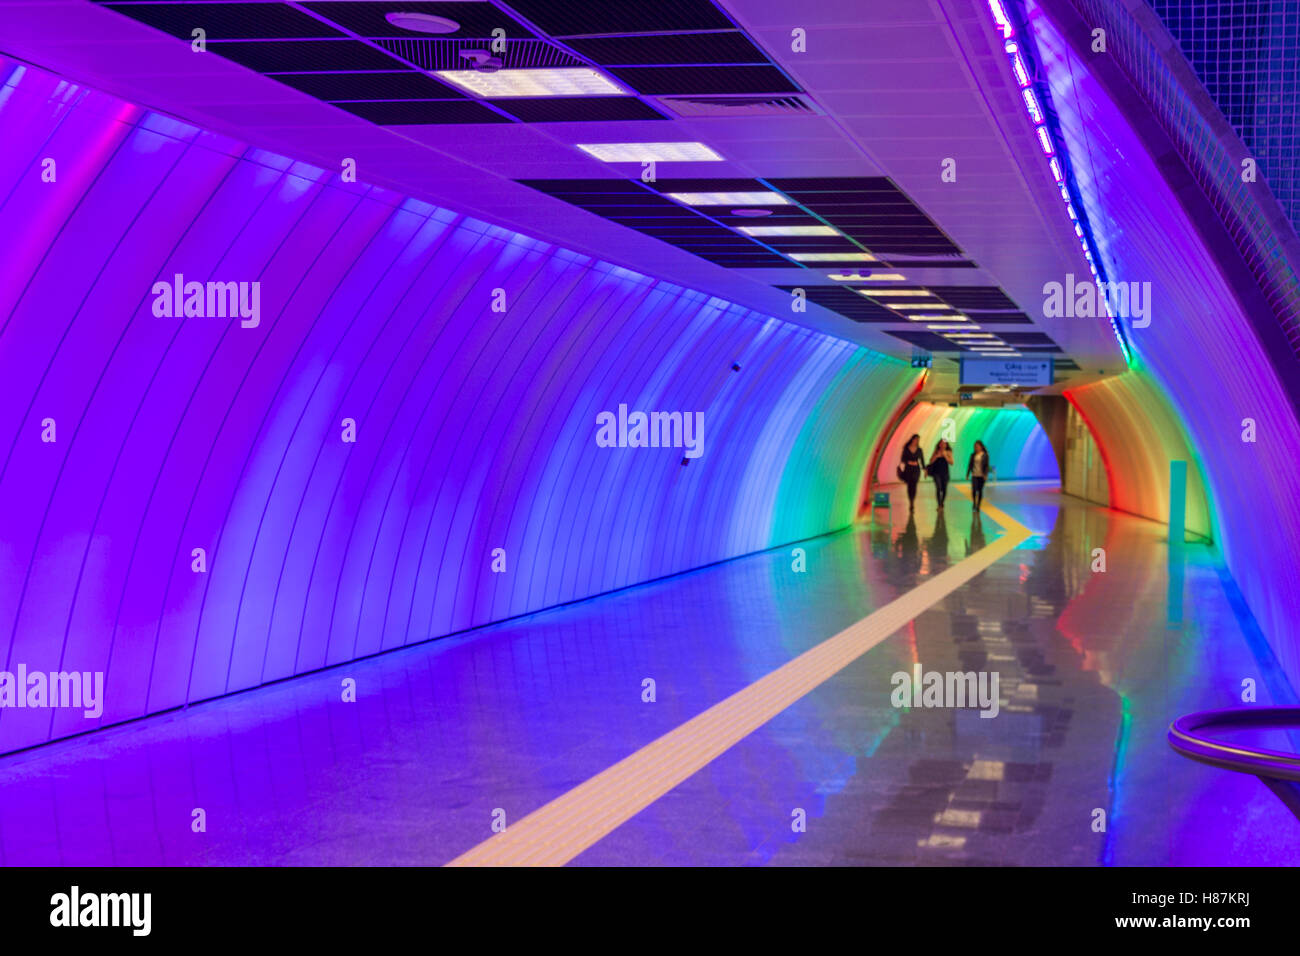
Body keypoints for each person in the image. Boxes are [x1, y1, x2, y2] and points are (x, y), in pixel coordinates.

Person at [898, 434, 924, 511]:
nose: (917, 441)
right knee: (910, 486)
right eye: (916, 439)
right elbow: (903, 459)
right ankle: (911, 501)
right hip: (908, 469)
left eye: (918, 440)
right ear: (912, 439)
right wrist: (909, 462)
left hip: (916, 469)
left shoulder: (919, 450)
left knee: (914, 485)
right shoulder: (906, 449)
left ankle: (912, 502)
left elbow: (922, 460)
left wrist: (925, 468)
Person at [928, 439, 955, 509]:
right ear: (939, 444)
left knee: (944, 489)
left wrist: (945, 456)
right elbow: (931, 461)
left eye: (944, 444)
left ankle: (942, 502)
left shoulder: (948, 452)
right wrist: (936, 456)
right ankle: (939, 504)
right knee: (938, 488)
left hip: (945, 473)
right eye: (941, 443)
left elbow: (951, 462)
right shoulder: (936, 452)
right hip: (936, 473)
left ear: (946, 445)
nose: (943, 445)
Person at [966, 440, 991, 512]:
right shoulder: (973, 455)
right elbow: (970, 465)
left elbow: (986, 466)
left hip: (981, 475)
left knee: (980, 490)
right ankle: (974, 502)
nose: (976, 447)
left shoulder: (985, 455)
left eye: (977, 446)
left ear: (981, 446)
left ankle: (978, 505)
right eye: (975, 446)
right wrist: (967, 474)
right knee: (974, 490)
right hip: (974, 474)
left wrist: (985, 475)